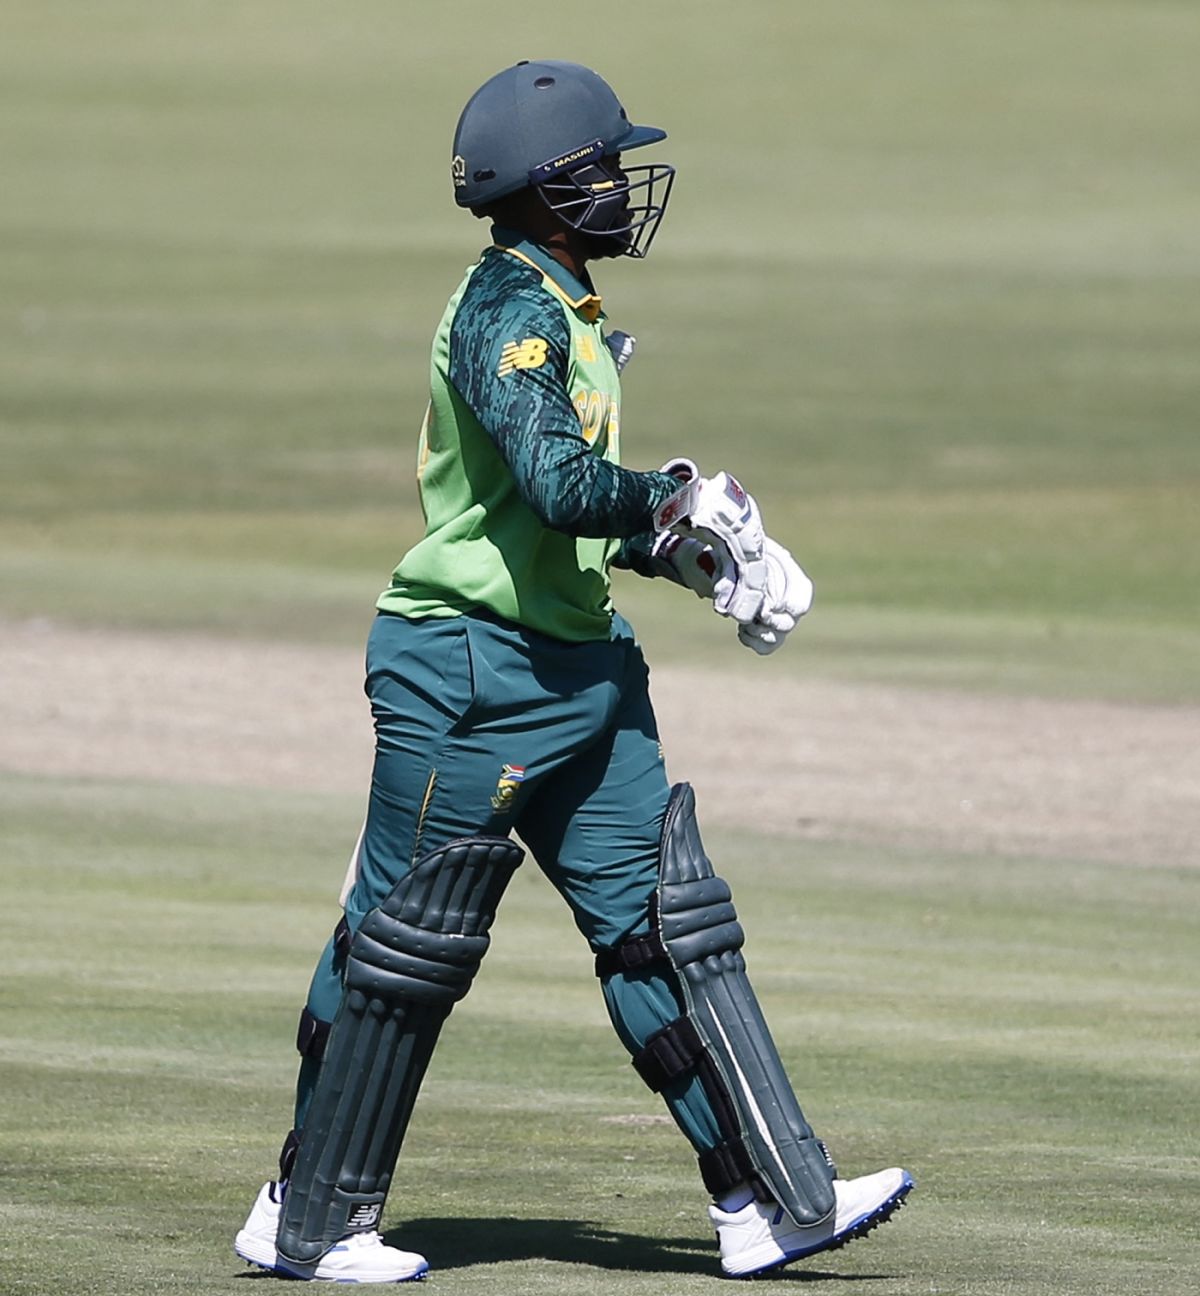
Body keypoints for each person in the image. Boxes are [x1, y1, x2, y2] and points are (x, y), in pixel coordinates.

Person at [233, 58, 913, 1284]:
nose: (621, 186)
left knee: (667, 926)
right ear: (548, 190)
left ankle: (768, 1200)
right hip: (467, 670)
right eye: (602, 169)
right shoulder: (508, 307)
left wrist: (685, 552)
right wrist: (670, 499)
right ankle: (309, 1214)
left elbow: (558, 514)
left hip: (583, 672)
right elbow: (552, 482)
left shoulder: (571, 303)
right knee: (405, 945)